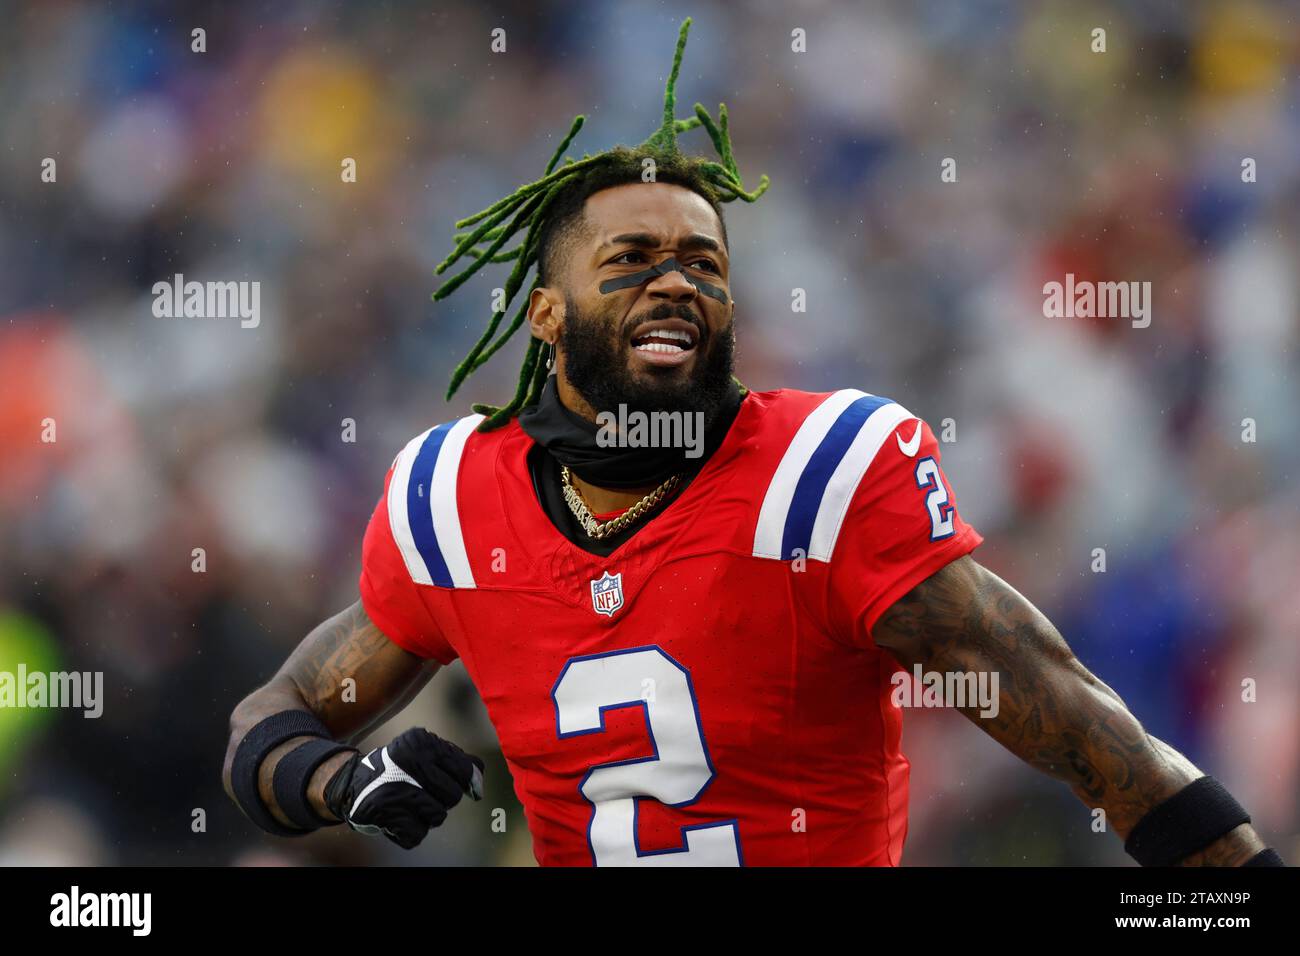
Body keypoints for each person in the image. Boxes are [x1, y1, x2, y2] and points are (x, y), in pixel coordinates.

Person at [222, 19, 1283, 867]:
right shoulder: (455, 501)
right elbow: (272, 721)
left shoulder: (820, 480)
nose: (678, 279)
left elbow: (1090, 733)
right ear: (545, 314)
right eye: (631, 258)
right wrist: (342, 783)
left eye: (703, 259)